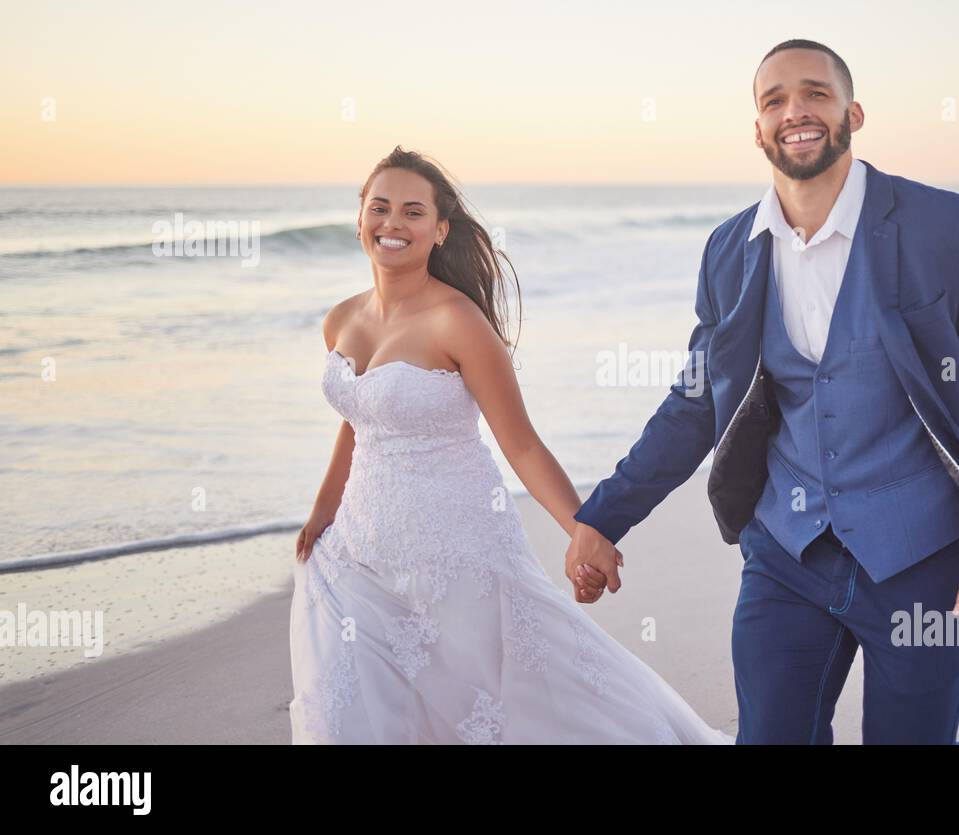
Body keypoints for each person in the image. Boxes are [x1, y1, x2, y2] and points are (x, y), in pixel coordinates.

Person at [566, 39, 959, 744]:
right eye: (774, 100)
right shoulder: (729, 251)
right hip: (787, 554)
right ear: (757, 129)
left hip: (927, 560)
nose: (795, 112)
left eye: (815, 93)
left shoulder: (942, 227)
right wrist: (604, 516)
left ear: (853, 112)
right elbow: (696, 401)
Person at [288, 145, 733, 744]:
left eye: (413, 212)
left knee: (507, 702)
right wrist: (324, 509)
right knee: (352, 713)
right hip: (359, 553)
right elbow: (360, 417)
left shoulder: (458, 322)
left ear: (440, 230)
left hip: (457, 549)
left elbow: (521, 445)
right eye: (380, 207)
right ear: (360, 216)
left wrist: (584, 530)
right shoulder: (340, 320)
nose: (393, 224)